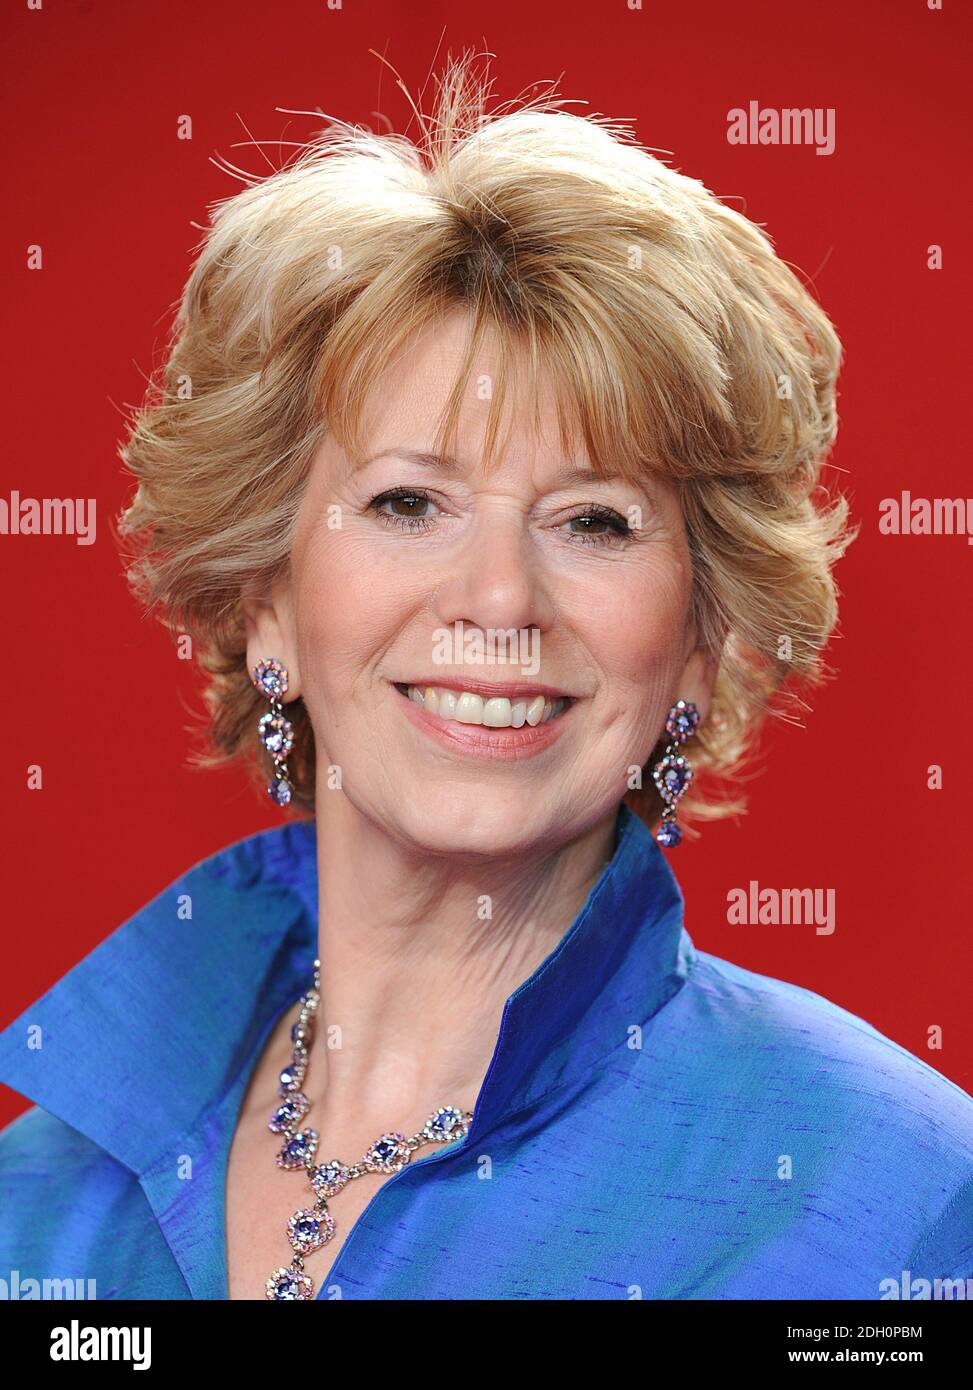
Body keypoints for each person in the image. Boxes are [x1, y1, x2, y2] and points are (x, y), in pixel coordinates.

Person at [1, 56, 970, 1302]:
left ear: (697, 638)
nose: (500, 597)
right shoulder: (36, 1204)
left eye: (596, 521)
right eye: (408, 501)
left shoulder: (889, 1207)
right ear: (267, 605)